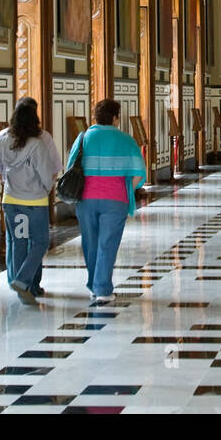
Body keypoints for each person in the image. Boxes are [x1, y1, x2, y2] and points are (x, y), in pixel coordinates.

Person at [67, 98, 147, 301]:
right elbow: (139, 172)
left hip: (85, 199)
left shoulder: (83, 137)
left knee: (90, 241)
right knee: (108, 243)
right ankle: (102, 287)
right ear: (115, 118)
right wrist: (128, 187)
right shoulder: (126, 140)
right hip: (115, 200)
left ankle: (94, 283)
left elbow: (70, 167)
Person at [0, 97, 60, 305]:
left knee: (18, 242)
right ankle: (26, 281)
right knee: (39, 242)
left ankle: (19, 284)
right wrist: (46, 188)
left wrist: (10, 185)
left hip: (11, 199)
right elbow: (50, 173)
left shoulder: (2, 137)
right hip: (35, 201)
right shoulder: (41, 140)